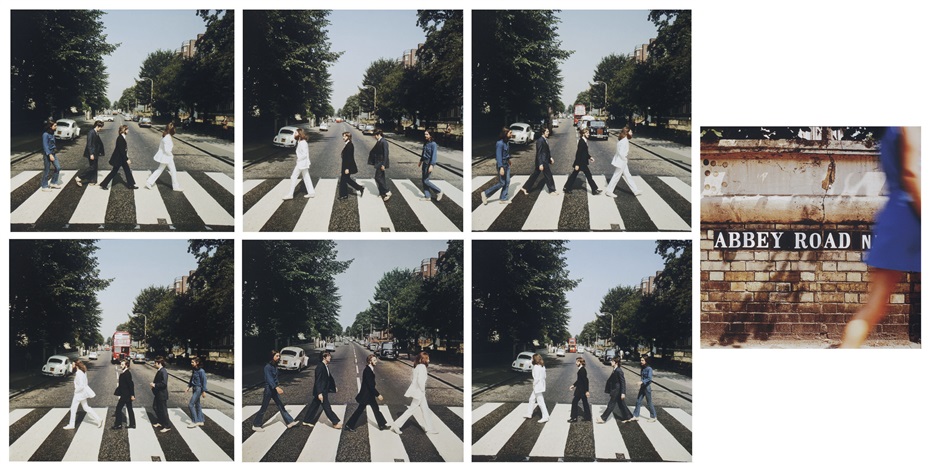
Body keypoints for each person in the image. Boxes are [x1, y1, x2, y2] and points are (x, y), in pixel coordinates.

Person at [841, 127, 921, 348]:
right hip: (913, 214)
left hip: (896, 215)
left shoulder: (893, 128)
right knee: (875, 305)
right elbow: (911, 172)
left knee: (875, 305)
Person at [390, 351, 437, 434]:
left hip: (418, 392)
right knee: (411, 410)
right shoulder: (422, 367)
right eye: (427, 358)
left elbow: (412, 379)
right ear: (423, 359)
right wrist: (422, 390)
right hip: (420, 392)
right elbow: (420, 381)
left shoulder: (417, 367)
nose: (429, 360)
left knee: (425, 410)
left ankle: (429, 428)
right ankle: (396, 425)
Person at [252, 350, 299, 431]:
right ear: (272, 357)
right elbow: (269, 379)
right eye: (277, 356)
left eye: (279, 356)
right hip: (269, 390)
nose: (279, 357)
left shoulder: (274, 366)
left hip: (273, 389)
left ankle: (289, 422)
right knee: (264, 407)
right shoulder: (267, 367)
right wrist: (276, 387)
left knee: (281, 405)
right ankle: (256, 425)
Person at [344, 354, 387, 432]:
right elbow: (370, 386)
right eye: (374, 360)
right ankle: (349, 425)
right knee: (359, 410)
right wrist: (378, 394)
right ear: (370, 361)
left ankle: (381, 425)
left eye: (376, 360)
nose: (376, 361)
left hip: (369, 395)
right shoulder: (367, 371)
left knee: (376, 409)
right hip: (366, 395)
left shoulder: (370, 369)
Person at [300, 351, 341, 429]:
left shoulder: (325, 366)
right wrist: (319, 393)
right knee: (327, 407)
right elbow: (318, 381)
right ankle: (335, 422)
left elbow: (329, 378)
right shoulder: (320, 367)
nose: (330, 357)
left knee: (314, 406)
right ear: (324, 358)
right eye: (328, 356)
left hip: (323, 390)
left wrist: (334, 387)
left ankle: (306, 420)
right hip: (321, 391)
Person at [64, 360, 103, 430]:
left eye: (72, 364)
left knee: (73, 409)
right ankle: (98, 419)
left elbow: (81, 385)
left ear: (76, 365)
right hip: (82, 393)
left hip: (79, 394)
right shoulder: (83, 372)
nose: (71, 365)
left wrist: (76, 391)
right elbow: (85, 383)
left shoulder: (79, 373)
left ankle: (71, 424)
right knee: (86, 407)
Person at [520, 127, 559, 196]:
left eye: (548, 131)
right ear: (543, 132)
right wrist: (540, 164)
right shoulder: (540, 141)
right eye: (547, 132)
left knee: (535, 175)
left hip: (544, 160)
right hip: (542, 161)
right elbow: (539, 153)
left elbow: (546, 151)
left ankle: (525, 187)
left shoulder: (544, 140)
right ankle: (552, 190)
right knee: (548, 175)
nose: (548, 133)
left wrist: (550, 157)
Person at [605, 126, 642, 197]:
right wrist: (625, 159)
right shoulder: (624, 141)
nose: (632, 133)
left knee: (628, 176)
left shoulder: (623, 140)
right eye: (631, 132)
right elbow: (621, 152)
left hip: (622, 161)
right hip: (621, 161)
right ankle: (609, 191)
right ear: (627, 133)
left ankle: (635, 190)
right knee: (616, 176)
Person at [564, 126, 602, 195]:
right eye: (587, 133)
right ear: (584, 133)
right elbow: (578, 153)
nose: (589, 134)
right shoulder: (581, 142)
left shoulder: (584, 141)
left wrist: (590, 157)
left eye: (588, 133)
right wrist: (577, 164)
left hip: (582, 162)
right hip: (581, 163)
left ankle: (567, 187)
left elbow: (584, 153)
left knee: (575, 175)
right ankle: (594, 190)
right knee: (587, 176)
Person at [145, 122, 181, 191]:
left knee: (160, 170)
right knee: (173, 171)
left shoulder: (165, 135)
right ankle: (175, 186)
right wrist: (171, 155)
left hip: (164, 156)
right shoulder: (167, 138)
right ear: (172, 130)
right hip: (167, 157)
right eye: (174, 129)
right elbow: (167, 150)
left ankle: (149, 182)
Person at [596, 356, 633, 424]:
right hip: (615, 390)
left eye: (612, 361)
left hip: (617, 390)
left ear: (616, 363)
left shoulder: (619, 371)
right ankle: (628, 417)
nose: (611, 362)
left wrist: (623, 392)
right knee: (621, 404)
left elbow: (623, 382)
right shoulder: (615, 369)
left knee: (611, 404)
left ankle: (603, 418)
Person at [99, 124, 137, 190]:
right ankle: (103, 184)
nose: (128, 130)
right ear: (123, 130)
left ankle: (131, 185)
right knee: (114, 172)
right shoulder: (120, 139)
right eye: (127, 129)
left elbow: (124, 150)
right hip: (119, 159)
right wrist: (127, 159)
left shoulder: (122, 138)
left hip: (121, 159)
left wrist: (126, 157)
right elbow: (122, 151)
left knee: (127, 171)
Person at [481, 128, 513, 205]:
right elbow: (498, 156)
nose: (512, 134)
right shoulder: (500, 143)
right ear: (505, 134)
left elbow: (506, 154)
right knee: (502, 183)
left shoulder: (507, 142)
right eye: (510, 133)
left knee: (507, 181)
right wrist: (501, 167)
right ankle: (485, 193)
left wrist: (508, 160)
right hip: (502, 165)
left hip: (506, 164)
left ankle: (503, 198)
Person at [284, 127, 315, 199]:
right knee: (306, 177)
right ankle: (311, 193)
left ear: (300, 134)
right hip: (303, 163)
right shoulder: (300, 142)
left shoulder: (303, 143)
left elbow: (304, 154)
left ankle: (290, 194)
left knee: (293, 177)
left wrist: (298, 160)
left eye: (296, 133)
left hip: (301, 163)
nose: (294, 134)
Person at [75, 120, 104, 187]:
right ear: (97, 126)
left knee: (95, 167)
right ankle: (79, 177)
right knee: (92, 167)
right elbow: (89, 144)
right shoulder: (91, 133)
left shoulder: (96, 132)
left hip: (95, 153)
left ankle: (93, 181)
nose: (101, 128)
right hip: (92, 153)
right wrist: (91, 154)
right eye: (100, 127)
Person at [418, 130, 444, 201]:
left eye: (427, 134)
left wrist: (432, 165)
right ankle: (427, 196)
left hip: (429, 163)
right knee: (424, 180)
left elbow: (434, 156)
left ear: (431, 135)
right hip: (424, 163)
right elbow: (423, 153)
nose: (425, 135)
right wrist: (420, 161)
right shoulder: (426, 143)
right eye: (425, 134)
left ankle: (438, 191)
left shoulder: (433, 144)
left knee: (426, 180)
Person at [523, 353, 549, 423]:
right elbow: (545, 376)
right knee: (531, 399)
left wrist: (533, 384)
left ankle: (545, 416)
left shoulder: (536, 367)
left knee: (540, 402)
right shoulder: (542, 366)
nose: (531, 359)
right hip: (541, 385)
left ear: (535, 359)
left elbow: (536, 378)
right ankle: (529, 413)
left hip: (537, 386)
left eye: (532, 358)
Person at [150, 356, 173, 432]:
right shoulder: (160, 370)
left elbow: (164, 384)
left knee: (163, 410)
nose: (154, 364)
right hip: (158, 394)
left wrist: (155, 385)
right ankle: (160, 421)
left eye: (155, 363)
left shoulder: (163, 371)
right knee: (155, 407)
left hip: (162, 395)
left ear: (159, 363)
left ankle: (167, 426)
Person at [338, 131, 364, 199]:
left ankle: (344, 195)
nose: (343, 137)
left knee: (344, 180)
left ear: (348, 137)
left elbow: (349, 158)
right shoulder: (348, 144)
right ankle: (359, 188)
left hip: (347, 166)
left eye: (345, 136)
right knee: (346, 179)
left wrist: (347, 168)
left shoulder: (349, 145)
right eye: (343, 136)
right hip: (345, 166)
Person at [368, 129, 392, 201]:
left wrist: (383, 164)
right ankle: (382, 192)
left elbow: (386, 154)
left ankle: (387, 191)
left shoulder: (384, 142)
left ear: (378, 135)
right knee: (381, 178)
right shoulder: (379, 141)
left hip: (381, 162)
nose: (374, 137)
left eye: (375, 135)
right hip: (378, 162)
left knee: (377, 177)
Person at [112, 358, 136, 429]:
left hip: (125, 395)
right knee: (129, 409)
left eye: (122, 364)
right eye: (121, 364)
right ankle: (132, 424)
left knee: (118, 409)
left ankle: (118, 424)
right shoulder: (125, 373)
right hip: (126, 395)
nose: (120, 365)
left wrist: (132, 395)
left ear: (126, 365)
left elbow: (131, 385)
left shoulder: (127, 374)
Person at [631, 355, 657, 422]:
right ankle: (636, 415)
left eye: (642, 360)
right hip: (642, 387)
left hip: (647, 387)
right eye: (641, 360)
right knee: (638, 401)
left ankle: (653, 416)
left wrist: (641, 381)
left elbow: (649, 379)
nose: (641, 361)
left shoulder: (649, 369)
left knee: (649, 402)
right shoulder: (643, 368)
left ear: (646, 361)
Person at [186, 356, 208, 428]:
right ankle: (201, 420)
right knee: (197, 404)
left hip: (198, 389)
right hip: (194, 388)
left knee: (190, 405)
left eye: (193, 362)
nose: (191, 363)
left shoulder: (201, 371)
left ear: (197, 363)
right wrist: (188, 387)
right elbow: (192, 379)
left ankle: (194, 421)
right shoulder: (194, 370)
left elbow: (204, 381)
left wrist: (203, 391)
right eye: (191, 362)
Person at [567, 357, 591, 422]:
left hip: (581, 390)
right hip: (581, 389)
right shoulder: (581, 369)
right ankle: (588, 417)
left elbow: (585, 381)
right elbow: (579, 380)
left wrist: (587, 391)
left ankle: (574, 417)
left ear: (580, 362)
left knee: (574, 402)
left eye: (577, 362)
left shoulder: (582, 370)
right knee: (585, 403)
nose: (576, 363)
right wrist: (573, 385)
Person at [41, 120, 62, 191]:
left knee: (58, 167)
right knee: (47, 170)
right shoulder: (45, 134)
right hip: (48, 154)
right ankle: (44, 186)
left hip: (53, 153)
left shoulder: (52, 133)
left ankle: (53, 182)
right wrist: (50, 154)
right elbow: (45, 146)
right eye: (55, 126)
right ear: (50, 126)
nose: (56, 127)